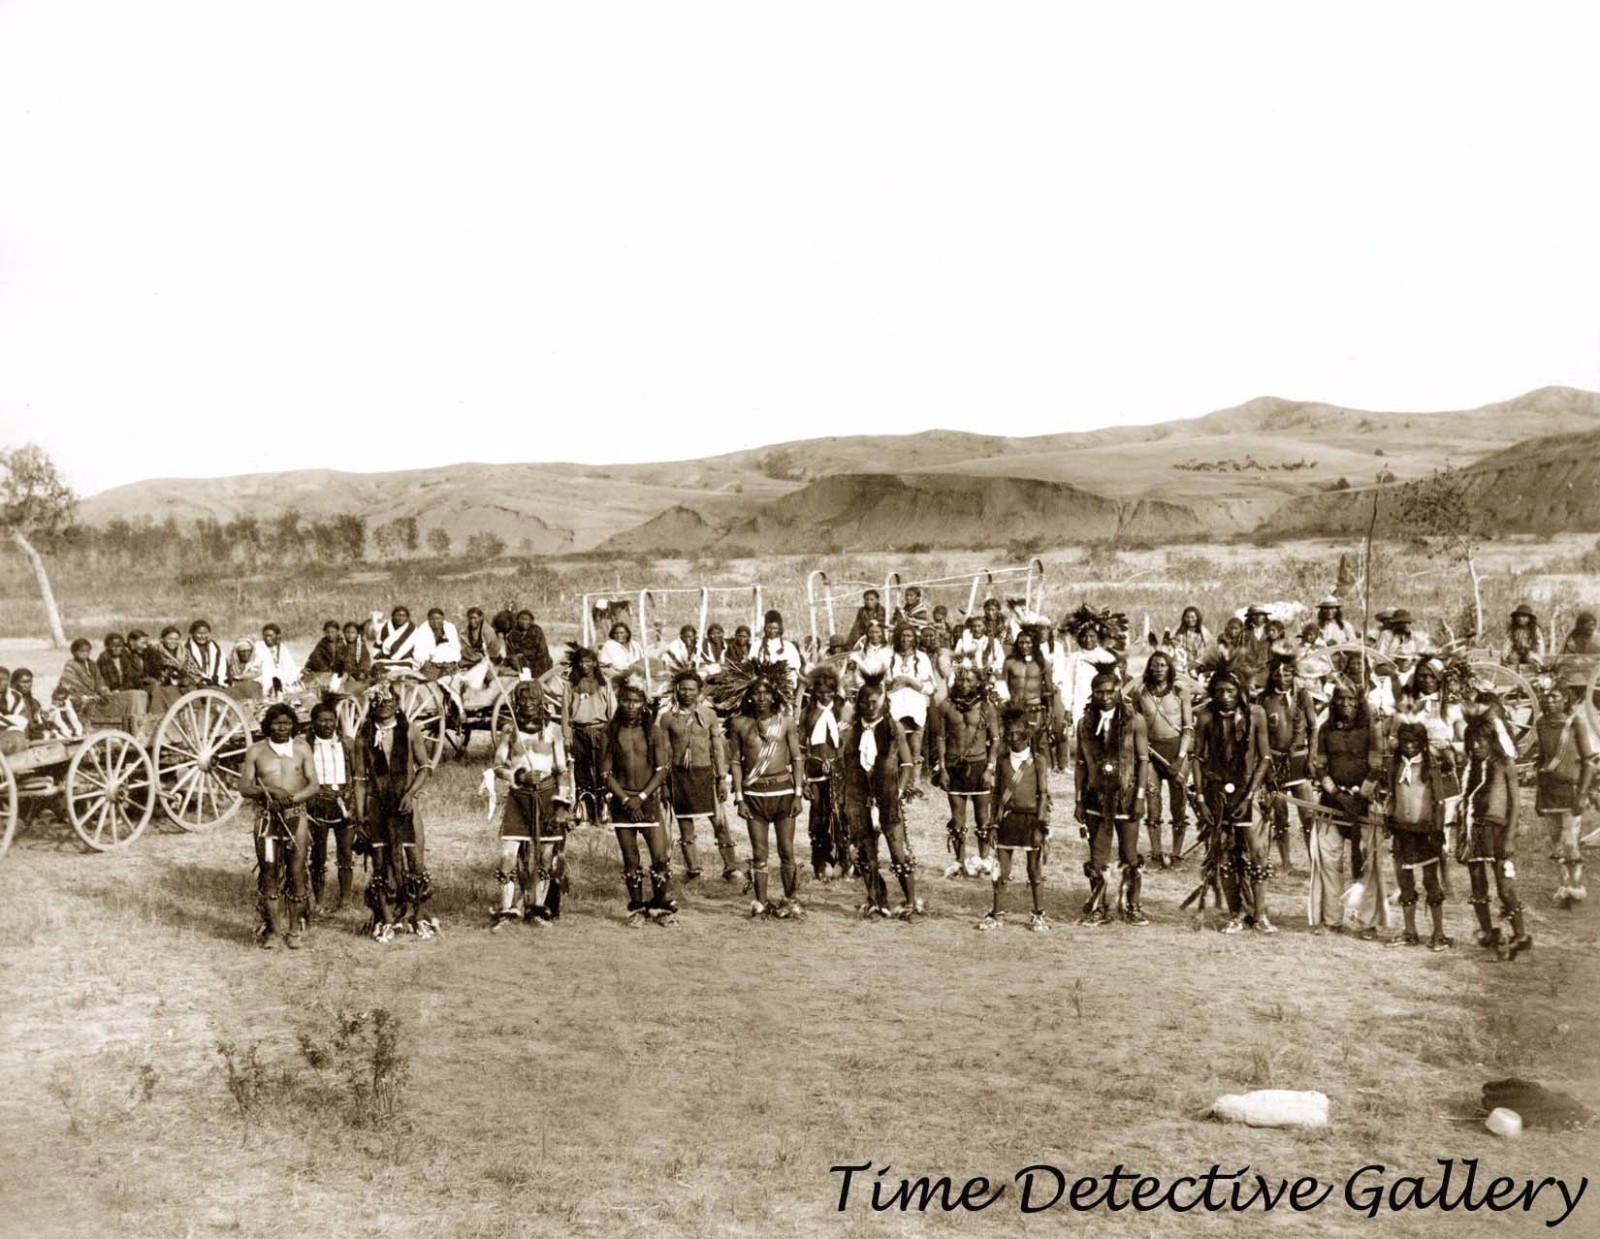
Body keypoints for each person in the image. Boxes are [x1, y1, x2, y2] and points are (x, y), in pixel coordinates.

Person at [351, 682, 437, 942]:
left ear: (398, 704)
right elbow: (359, 780)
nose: (384, 705)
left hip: (405, 804)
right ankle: (387, 920)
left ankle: (418, 916)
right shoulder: (364, 735)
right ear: (372, 705)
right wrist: (360, 816)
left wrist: (410, 794)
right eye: (379, 701)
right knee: (380, 863)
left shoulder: (409, 730)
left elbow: (425, 767)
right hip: (377, 805)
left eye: (390, 701)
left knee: (415, 860)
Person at [1193, 669, 1275, 934]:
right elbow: (1197, 758)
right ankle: (1236, 914)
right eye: (1219, 691)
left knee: (1258, 854)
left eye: (1230, 691)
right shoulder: (1206, 716)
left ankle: (1260, 914)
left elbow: (1264, 757)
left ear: (1240, 692)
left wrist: (1250, 796)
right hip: (1217, 792)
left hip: (1248, 790)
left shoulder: (1256, 714)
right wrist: (1201, 799)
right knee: (1225, 855)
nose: (1225, 696)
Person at [489, 681, 572, 928]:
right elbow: (498, 766)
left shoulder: (553, 731)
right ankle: (506, 911)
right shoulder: (509, 730)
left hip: (547, 797)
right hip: (519, 798)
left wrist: (562, 804)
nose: (528, 704)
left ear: (541, 702)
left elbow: (562, 770)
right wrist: (520, 775)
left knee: (546, 857)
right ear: (516, 703)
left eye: (533, 700)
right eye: (523, 700)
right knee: (507, 857)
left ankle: (537, 909)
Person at [238, 702, 320, 950]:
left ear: (293, 725)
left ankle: (294, 931)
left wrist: (291, 799)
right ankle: (274, 932)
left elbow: (313, 785)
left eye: (286, 723)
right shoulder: (256, 751)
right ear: (268, 725)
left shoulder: (302, 748)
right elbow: (244, 787)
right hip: (267, 819)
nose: (282, 728)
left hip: (296, 816)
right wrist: (272, 791)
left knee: (297, 873)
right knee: (269, 873)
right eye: (276, 723)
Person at [726, 665, 805, 918]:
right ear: (749, 696)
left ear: (774, 695)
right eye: (756, 693)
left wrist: (798, 794)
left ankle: (791, 901)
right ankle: (760, 903)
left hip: (783, 793)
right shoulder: (739, 723)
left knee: (787, 851)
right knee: (760, 853)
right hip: (754, 795)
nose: (761, 698)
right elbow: (735, 761)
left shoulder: (786, 722)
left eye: (766, 693)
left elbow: (797, 758)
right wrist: (739, 798)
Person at [1075, 671, 1150, 926]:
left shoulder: (1134, 721)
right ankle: (1098, 908)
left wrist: (1140, 797)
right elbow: (1081, 765)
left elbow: (1143, 761)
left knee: (1130, 855)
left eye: (1110, 691)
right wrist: (1078, 801)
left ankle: (1132, 906)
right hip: (1095, 798)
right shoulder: (1085, 723)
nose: (1105, 697)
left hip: (1127, 797)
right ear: (1093, 693)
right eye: (1100, 692)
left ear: (1119, 692)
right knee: (1098, 857)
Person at [841, 676, 919, 919]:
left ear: (883, 702)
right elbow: (844, 767)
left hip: (888, 799)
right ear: (859, 704)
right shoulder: (851, 732)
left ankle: (911, 902)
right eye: (866, 702)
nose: (870, 707)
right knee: (865, 853)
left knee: (898, 853)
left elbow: (907, 764)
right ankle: (877, 899)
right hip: (859, 800)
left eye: (875, 702)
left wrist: (898, 791)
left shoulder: (894, 729)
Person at [601, 679, 677, 926]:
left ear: (644, 703)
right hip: (621, 802)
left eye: (635, 701)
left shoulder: (653, 732)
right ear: (619, 702)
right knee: (631, 858)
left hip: (648, 800)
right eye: (625, 700)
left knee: (660, 857)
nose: (630, 705)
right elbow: (605, 773)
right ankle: (637, 909)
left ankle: (659, 907)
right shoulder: (610, 732)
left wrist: (641, 798)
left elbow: (662, 770)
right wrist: (626, 800)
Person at [1310, 683, 1383, 936]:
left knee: (1367, 863)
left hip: (1364, 804)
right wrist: (1337, 794)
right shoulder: (1326, 729)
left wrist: (1360, 796)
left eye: (1351, 699)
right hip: (1332, 802)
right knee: (1330, 861)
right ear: (1334, 702)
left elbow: (1377, 767)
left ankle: (1367, 923)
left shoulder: (1371, 729)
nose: (1346, 703)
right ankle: (1332, 920)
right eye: (1340, 698)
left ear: (1359, 702)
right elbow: (1319, 767)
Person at [1460, 719, 1531, 959]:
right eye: (1472, 741)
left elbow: (1515, 804)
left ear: (1492, 740)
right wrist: (1463, 838)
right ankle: (1489, 934)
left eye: (1481, 740)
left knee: (1505, 889)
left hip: (1498, 832)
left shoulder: (1505, 764)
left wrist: (1509, 837)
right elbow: (1464, 802)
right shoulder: (1470, 766)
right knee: (1478, 886)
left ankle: (1520, 936)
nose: (1476, 745)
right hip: (1474, 831)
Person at [977, 706, 1052, 931]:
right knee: (1001, 870)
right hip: (1007, 820)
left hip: (1031, 820)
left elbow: (1043, 794)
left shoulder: (1038, 761)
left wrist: (1040, 826)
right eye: (1009, 733)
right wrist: (993, 825)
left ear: (1027, 733)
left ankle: (1039, 914)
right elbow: (996, 795)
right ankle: (997, 914)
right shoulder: (1001, 761)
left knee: (1034, 870)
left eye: (1018, 732)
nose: (1013, 737)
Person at [1384, 721, 1454, 950]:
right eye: (1405, 742)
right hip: (1402, 831)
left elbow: (1440, 801)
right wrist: (1388, 818)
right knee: (1405, 882)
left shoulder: (1430, 766)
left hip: (1426, 831)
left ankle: (1439, 933)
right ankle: (1410, 931)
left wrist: (1439, 830)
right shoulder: (1394, 765)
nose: (1410, 746)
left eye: (1414, 742)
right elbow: (1392, 796)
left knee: (1430, 880)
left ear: (1422, 743)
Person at [658, 668, 733, 883]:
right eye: (683, 689)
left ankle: (731, 867)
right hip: (679, 777)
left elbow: (717, 748)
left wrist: (721, 778)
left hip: (706, 773)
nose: (687, 693)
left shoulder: (708, 715)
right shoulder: (667, 718)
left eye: (692, 689)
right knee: (685, 825)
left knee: (719, 822)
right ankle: (693, 870)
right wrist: (664, 784)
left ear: (699, 691)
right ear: (676, 690)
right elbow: (664, 752)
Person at [1534, 672, 1596, 909]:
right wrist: (1538, 792)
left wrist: (1582, 794)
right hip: (1549, 792)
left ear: (1565, 699)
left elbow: (1589, 761)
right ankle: (1565, 886)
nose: (1550, 701)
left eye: (1555, 697)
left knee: (1570, 843)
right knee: (1555, 844)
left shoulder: (1576, 723)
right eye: (1546, 697)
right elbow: (1542, 759)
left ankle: (1576, 886)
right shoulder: (1541, 724)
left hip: (1571, 792)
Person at [932, 664, 998, 878]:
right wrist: (943, 769)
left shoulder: (986, 707)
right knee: (957, 820)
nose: (964, 684)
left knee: (982, 818)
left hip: (979, 765)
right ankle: (959, 861)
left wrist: (990, 769)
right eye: (961, 679)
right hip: (954, 767)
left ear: (979, 682)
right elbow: (941, 738)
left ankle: (984, 860)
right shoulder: (946, 706)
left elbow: (995, 740)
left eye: (969, 680)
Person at [1133, 650, 1192, 869]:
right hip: (1151, 752)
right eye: (1154, 665)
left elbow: (1188, 728)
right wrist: (1142, 750)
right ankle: (1156, 853)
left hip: (1177, 751)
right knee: (1152, 800)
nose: (1158, 669)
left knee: (1179, 802)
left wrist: (1181, 757)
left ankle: (1177, 853)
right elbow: (1136, 725)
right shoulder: (1140, 693)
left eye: (1162, 665)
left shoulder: (1180, 692)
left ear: (1169, 668)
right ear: (1149, 668)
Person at [1259, 654, 1317, 874]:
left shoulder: (1303, 696)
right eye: (1278, 674)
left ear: (1294, 675)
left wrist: (1311, 758)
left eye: (1287, 674)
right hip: (1275, 762)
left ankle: (1315, 862)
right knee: (1280, 816)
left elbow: (1313, 729)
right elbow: (1261, 735)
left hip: (1299, 759)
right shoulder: (1264, 698)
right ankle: (1286, 863)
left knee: (1308, 815)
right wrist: (1266, 764)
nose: (1282, 678)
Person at [552, 644, 615, 825]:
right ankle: (586, 812)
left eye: (588, 662)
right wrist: (567, 737)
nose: (584, 665)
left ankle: (604, 812)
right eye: (581, 662)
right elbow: (565, 712)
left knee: (603, 770)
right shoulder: (571, 685)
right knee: (582, 772)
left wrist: (613, 734)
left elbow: (613, 710)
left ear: (595, 663)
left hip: (601, 731)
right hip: (579, 732)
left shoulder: (604, 683)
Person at [305, 702, 355, 915]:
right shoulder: (306, 745)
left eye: (331, 720)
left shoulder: (347, 744)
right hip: (317, 803)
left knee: (346, 852)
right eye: (322, 720)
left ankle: (345, 901)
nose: (327, 725)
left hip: (344, 802)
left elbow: (358, 773)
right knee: (318, 854)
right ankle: (319, 902)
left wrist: (351, 797)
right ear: (313, 722)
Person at [800, 664, 849, 881]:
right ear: (814, 691)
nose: (825, 695)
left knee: (841, 814)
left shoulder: (844, 711)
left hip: (840, 772)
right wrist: (803, 781)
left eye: (829, 691)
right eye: (821, 692)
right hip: (815, 771)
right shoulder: (807, 713)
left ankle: (845, 859)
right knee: (819, 816)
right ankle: (821, 860)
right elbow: (801, 747)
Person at [886, 625, 935, 793]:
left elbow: (930, 687)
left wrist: (908, 681)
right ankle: (894, 785)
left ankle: (914, 785)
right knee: (893, 748)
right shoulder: (888, 656)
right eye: (902, 635)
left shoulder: (922, 658)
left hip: (915, 710)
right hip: (894, 709)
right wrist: (893, 685)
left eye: (909, 636)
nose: (905, 639)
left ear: (915, 639)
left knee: (915, 747)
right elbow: (883, 684)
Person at [61, 637, 147, 727]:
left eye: (87, 651)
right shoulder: (70, 666)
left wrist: (105, 691)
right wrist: (88, 696)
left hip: (97, 698)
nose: (85, 653)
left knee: (136, 694)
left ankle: (137, 723)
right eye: (82, 651)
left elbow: (99, 681)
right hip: (81, 701)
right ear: (74, 652)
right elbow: (69, 686)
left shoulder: (92, 664)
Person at [1002, 628, 1053, 755]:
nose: (1024, 646)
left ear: (1034, 644)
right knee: (1014, 741)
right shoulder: (1009, 662)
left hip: (1035, 708)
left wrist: (1050, 712)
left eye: (1028, 643)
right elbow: (1003, 687)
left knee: (1035, 742)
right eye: (1021, 642)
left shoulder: (1043, 663)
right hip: (1014, 708)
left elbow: (1049, 690)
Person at [753, 610, 805, 703]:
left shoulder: (788, 647)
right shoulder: (757, 645)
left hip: (783, 690)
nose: (772, 631)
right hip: (761, 690)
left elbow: (794, 669)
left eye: (775, 628)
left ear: (780, 629)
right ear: (765, 628)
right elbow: (751, 665)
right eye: (769, 628)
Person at [255, 623, 301, 697]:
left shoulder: (283, 649)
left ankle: (280, 688)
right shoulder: (258, 647)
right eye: (265, 636)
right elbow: (256, 664)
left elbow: (289, 666)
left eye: (270, 636)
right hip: (264, 676)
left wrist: (298, 671)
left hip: (281, 678)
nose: (267, 638)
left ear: (277, 636)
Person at [598, 621, 645, 687]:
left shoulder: (635, 645)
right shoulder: (609, 645)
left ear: (627, 634)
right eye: (616, 633)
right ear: (612, 634)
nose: (619, 635)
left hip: (638, 675)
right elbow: (608, 665)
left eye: (622, 633)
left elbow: (642, 659)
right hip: (618, 675)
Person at [1170, 607, 1214, 678]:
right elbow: (1175, 647)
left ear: (1197, 618)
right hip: (1182, 663)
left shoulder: (1204, 633)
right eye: (1187, 617)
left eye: (1193, 617)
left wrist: (1195, 663)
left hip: (1200, 665)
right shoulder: (1179, 632)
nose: (1190, 620)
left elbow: (1209, 652)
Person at [1502, 604, 1548, 671]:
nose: (1521, 619)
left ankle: (1531, 673)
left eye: (1524, 616)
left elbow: (1540, 644)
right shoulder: (1513, 629)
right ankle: (1514, 673)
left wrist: (1540, 658)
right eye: (1519, 616)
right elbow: (1507, 643)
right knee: (1512, 658)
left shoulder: (1535, 629)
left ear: (1529, 618)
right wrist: (1504, 656)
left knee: (1531, 658)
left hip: (1531, 652)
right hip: (1517, 652)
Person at [459, 607, 505, 672]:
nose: (472, 621)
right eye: (470, 618)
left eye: (475, 618)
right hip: (469, 659)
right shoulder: (464, 631)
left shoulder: (488, 631)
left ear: (481, 618)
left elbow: (494, 650)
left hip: (487, 660)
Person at [337, 620, 373, 684]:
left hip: (358, 671)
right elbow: (340, 660)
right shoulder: (341, 644)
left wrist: (363, 672)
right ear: (344, 633)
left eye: (353, 633)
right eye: (348, 632)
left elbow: (365, 660)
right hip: (344, 672)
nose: (350, 635)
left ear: (357, 634)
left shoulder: (361, 645)